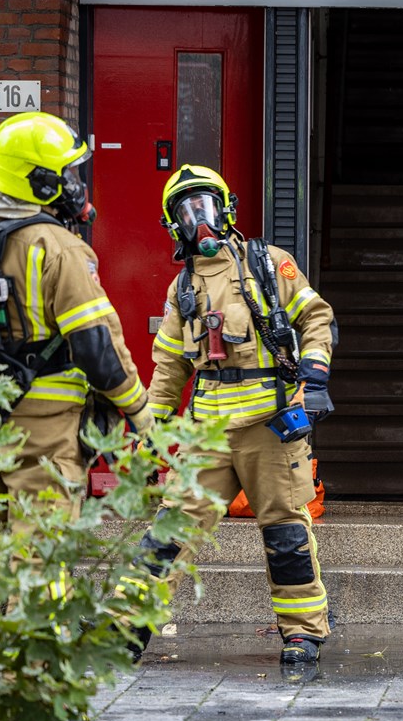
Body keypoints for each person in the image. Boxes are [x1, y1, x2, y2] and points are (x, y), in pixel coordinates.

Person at [133, 164, 336, 669]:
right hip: (207, 433)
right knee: (168, 533)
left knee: (286, 533)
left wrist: (313, 374)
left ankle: (302, 635)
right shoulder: (181, 291)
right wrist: (151, 428)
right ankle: (124, 629)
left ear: (226, 210)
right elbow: (169, 366)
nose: (198, 221)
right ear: (173, 225)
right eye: (186, 212)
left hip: (271, 425)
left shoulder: (269, 264)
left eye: (205, 207)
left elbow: (316, 317)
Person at [0, 112, 152, 530]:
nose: (75, 185)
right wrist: (141, 414)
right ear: (39, 181)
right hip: (41, 431)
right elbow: (98, 348)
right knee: (39, 567)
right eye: (66, 174)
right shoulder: (56, 247)